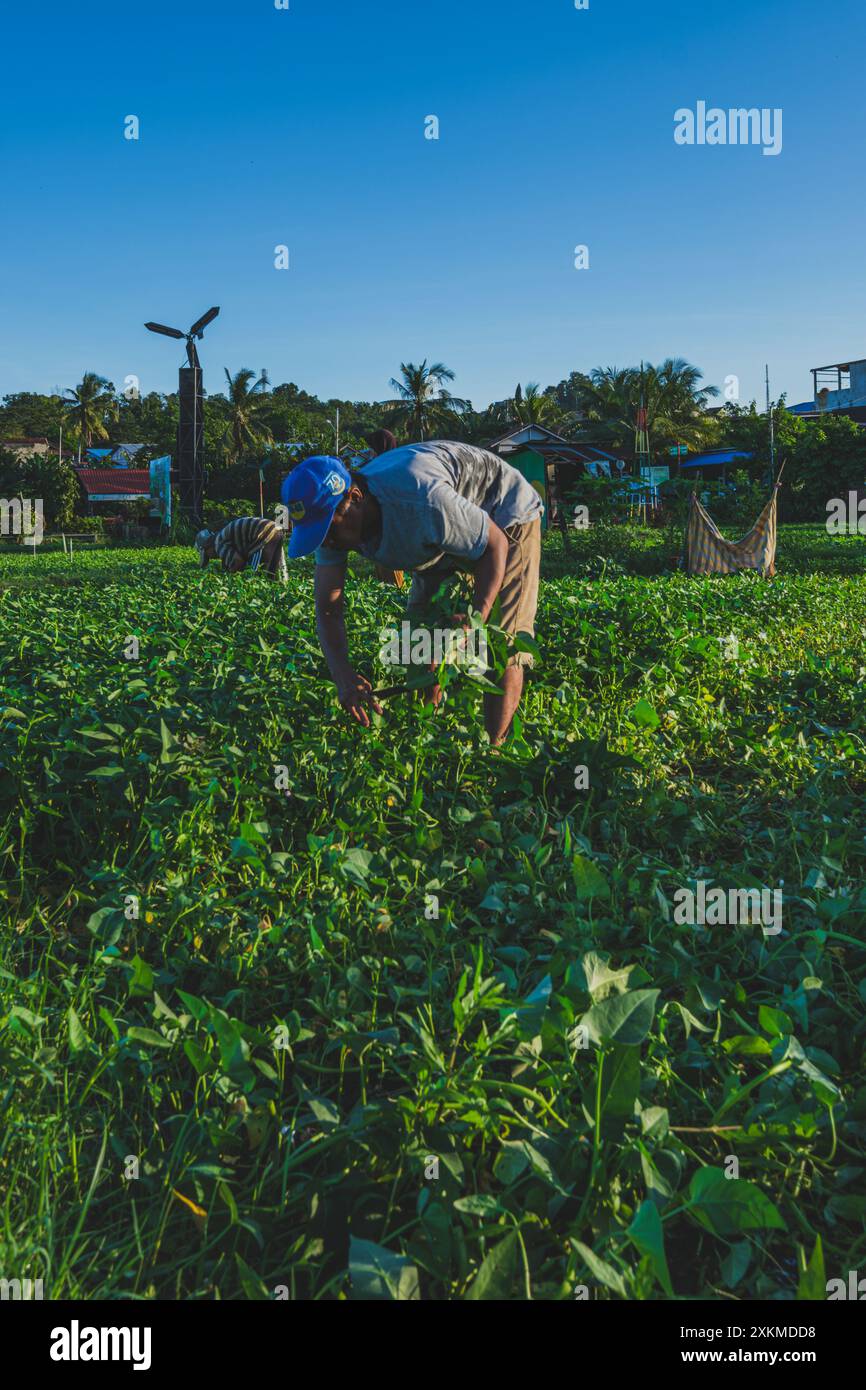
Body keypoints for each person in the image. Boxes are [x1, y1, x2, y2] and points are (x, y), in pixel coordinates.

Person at [281, 442, 543, 745]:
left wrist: (478, 617)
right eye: (317, 534)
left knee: (501, 641)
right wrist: (343, 677)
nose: (325, 541)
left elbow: (494, 544)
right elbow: (328, 609)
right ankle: (423, 735)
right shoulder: (333, 534)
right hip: (438, 541)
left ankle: (494, 753)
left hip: (504, 514)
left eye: (328, 529)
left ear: (354, 498)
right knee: (419, 640)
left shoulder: (421, 498)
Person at [360, 428, 403, 588]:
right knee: (382, 569)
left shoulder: (388, 467)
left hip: (390, 525)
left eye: (372, 448)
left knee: (390, 568)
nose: (370, 452)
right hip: (379, 526)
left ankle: (396, 595)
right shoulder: (388, 463)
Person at [195, 515, 288, 581]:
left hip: (261, 532)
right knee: (273, 571)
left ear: (207, 547)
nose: (210, 557)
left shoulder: (218, 543)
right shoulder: (222, 536)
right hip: (275, 528)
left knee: (254, 575)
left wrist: (229, 578)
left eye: (207, 555)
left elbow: (238, 561)